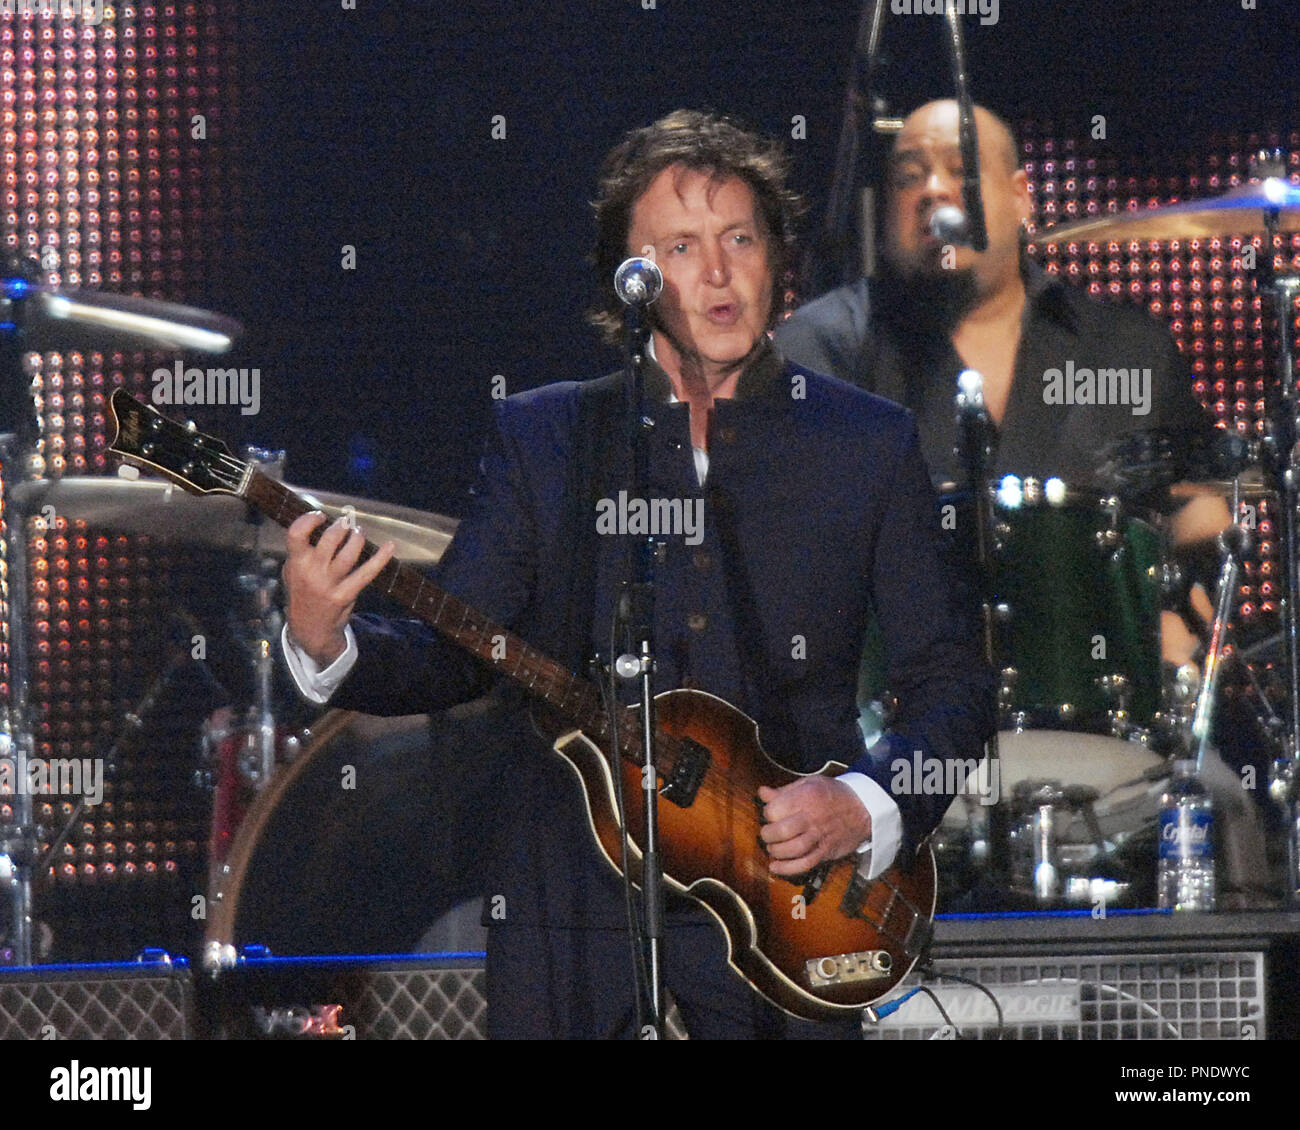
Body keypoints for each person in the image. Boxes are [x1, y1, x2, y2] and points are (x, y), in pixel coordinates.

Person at [279, 109, 995, 1038]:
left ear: (779, 262)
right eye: (682, 246)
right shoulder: (547, 438)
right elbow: (457, 654)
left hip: (794, 895)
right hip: (570, 904)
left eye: (740, 238)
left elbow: (955, 684)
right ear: (633, 281)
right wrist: (321, 637)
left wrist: (864, 803)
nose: (719, 269)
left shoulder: (867, 443)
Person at [775, 99, 1272, 907]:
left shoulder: (1122, 347)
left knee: (1227, 807)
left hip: (1111, 737)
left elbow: (1203, 523)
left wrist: (1181, 630)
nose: (934, 192)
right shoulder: (823, 350)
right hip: (885, 748)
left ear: (1024, 196)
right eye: (909, 175)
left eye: (960, 171)